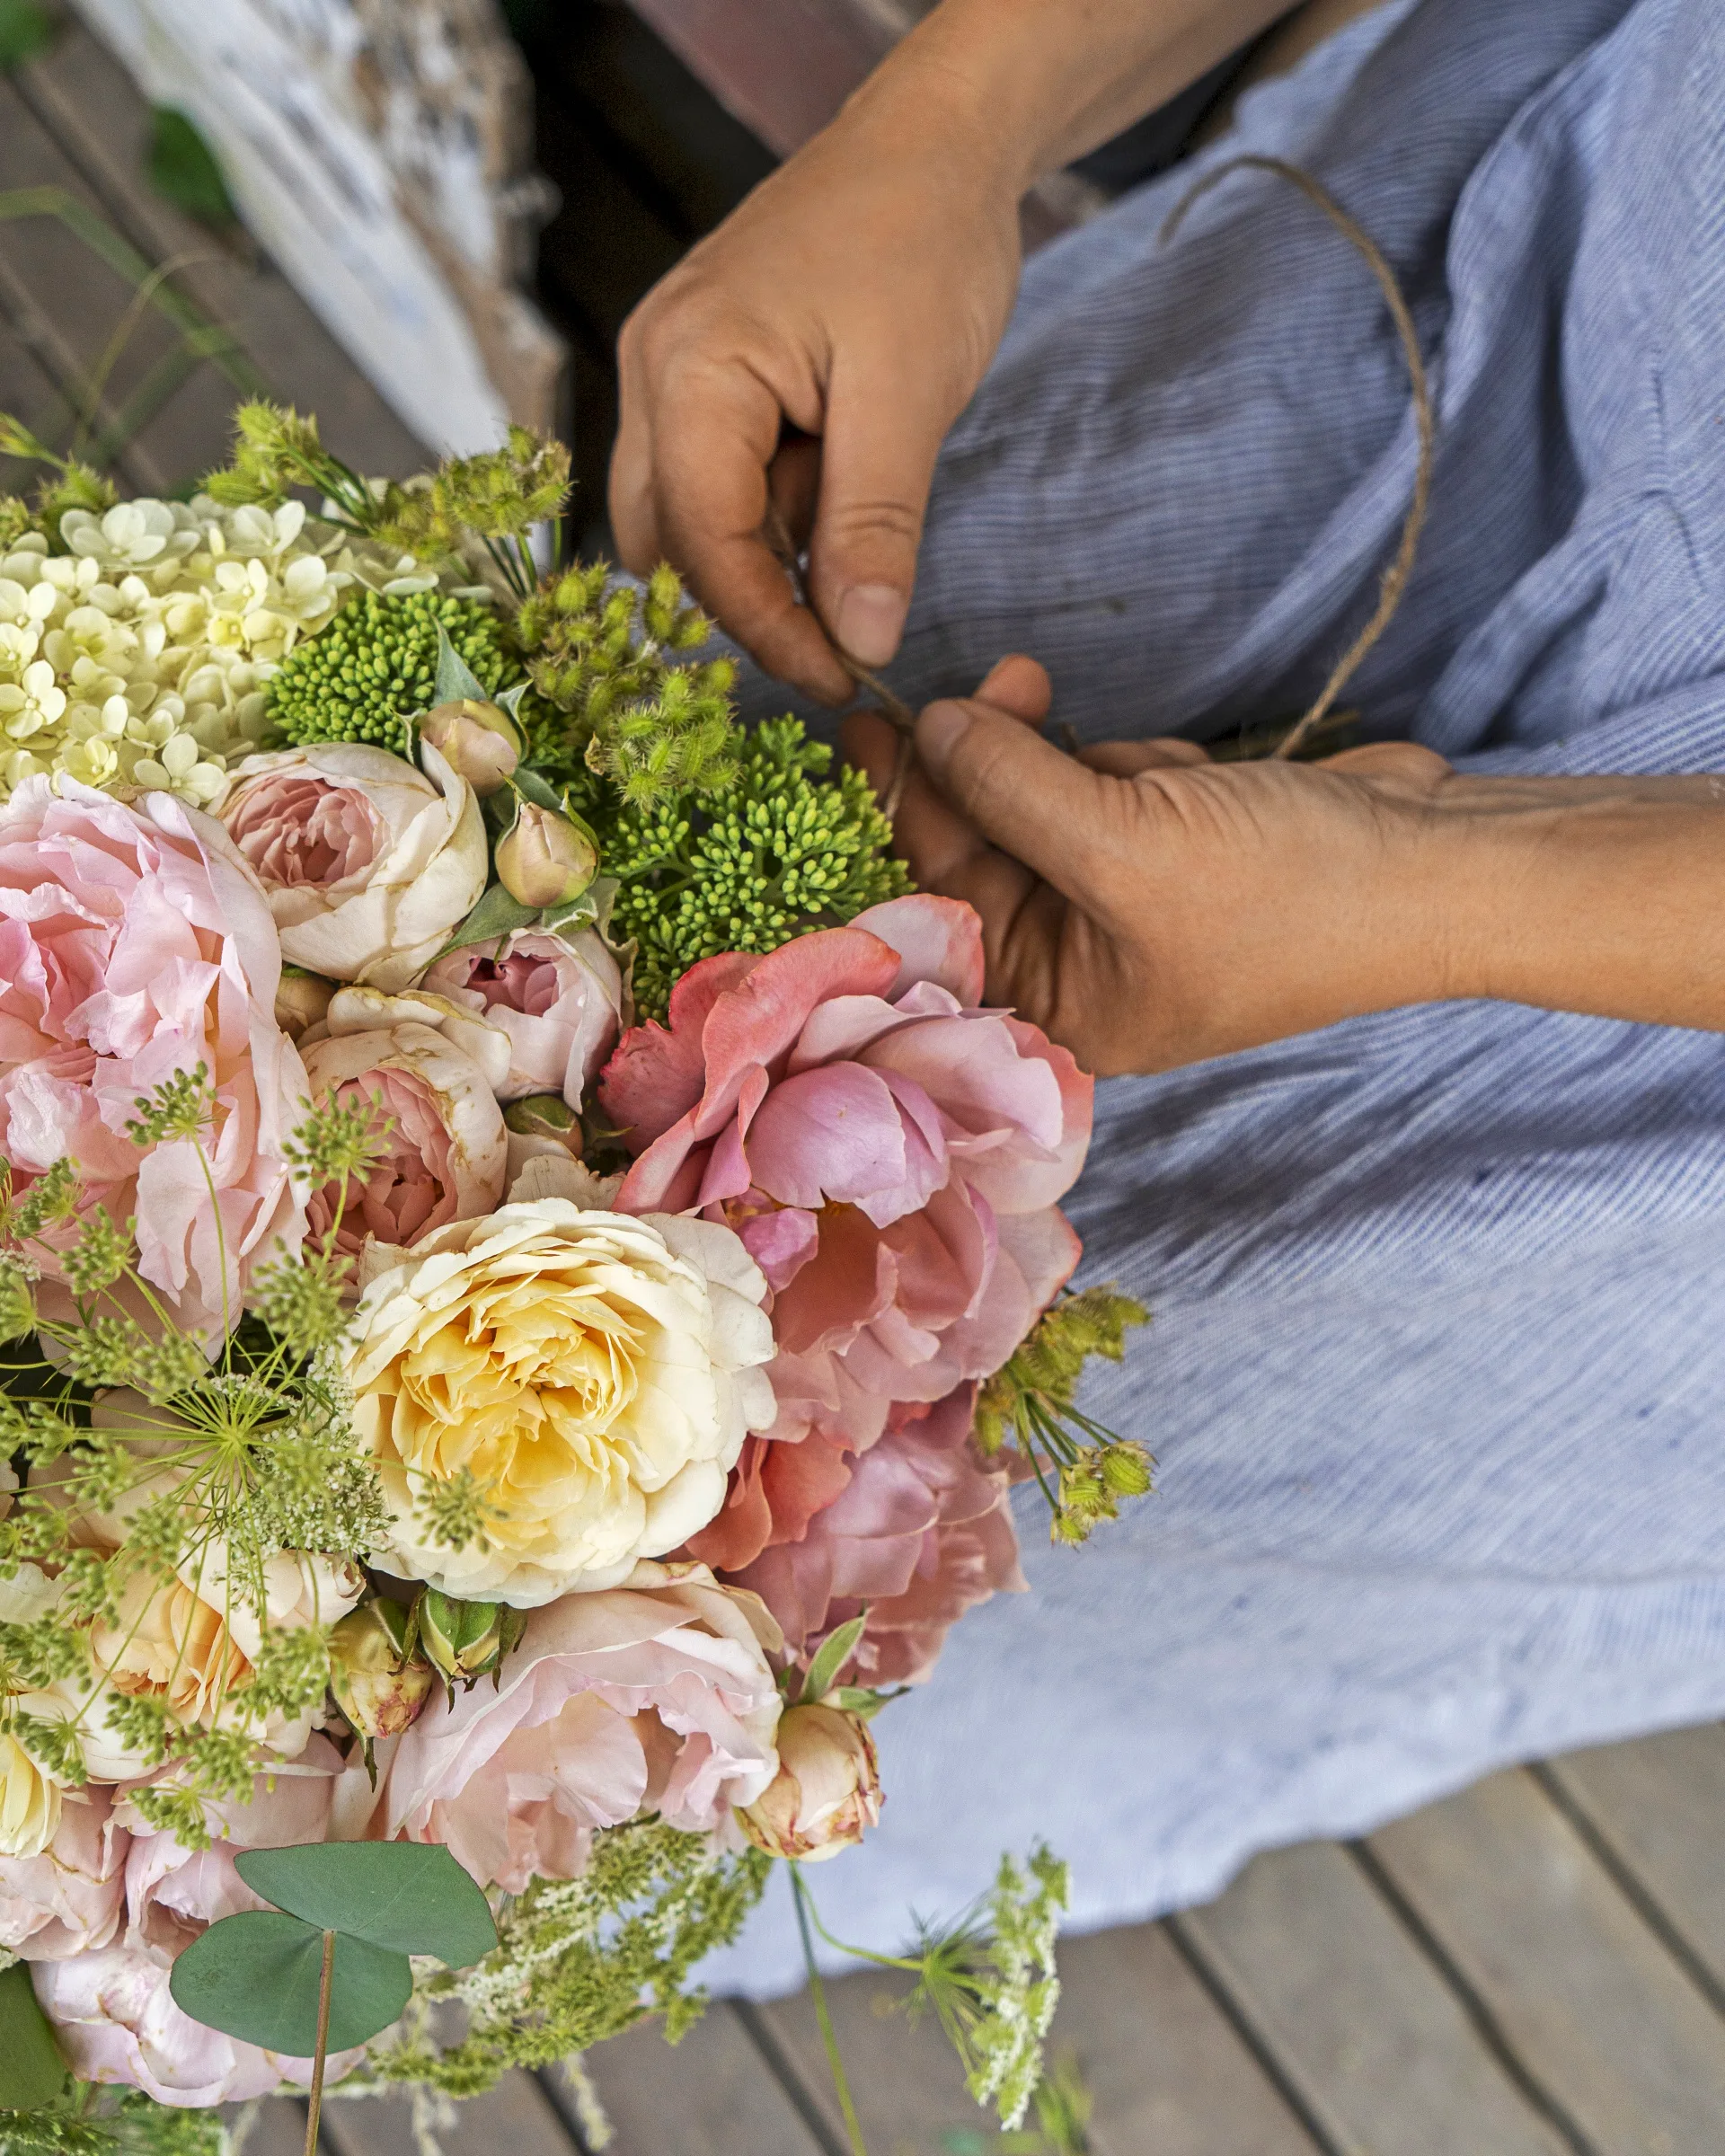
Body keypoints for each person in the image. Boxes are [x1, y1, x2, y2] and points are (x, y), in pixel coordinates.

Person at [615, 0, 1725, 1989]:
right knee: (669, 802)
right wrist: (952, 125)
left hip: (1663, 1153)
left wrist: (1469, 894)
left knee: (1032, 1512)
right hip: (1558, 248)